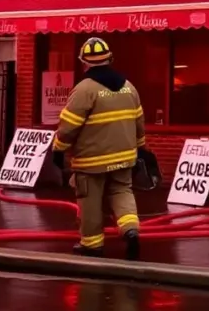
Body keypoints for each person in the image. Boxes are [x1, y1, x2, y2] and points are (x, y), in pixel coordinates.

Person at [52, 37, 148, 259]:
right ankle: (130, 230)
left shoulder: (84, 90)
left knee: (90, 201)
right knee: (122, 192)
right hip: (125, 157)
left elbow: (68, 127)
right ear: (110, 59)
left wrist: (58, 149)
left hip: (91, 161)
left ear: (84, 63)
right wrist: (141, 149)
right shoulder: (129, 87)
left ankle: (92, 244)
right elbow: (139, 122)